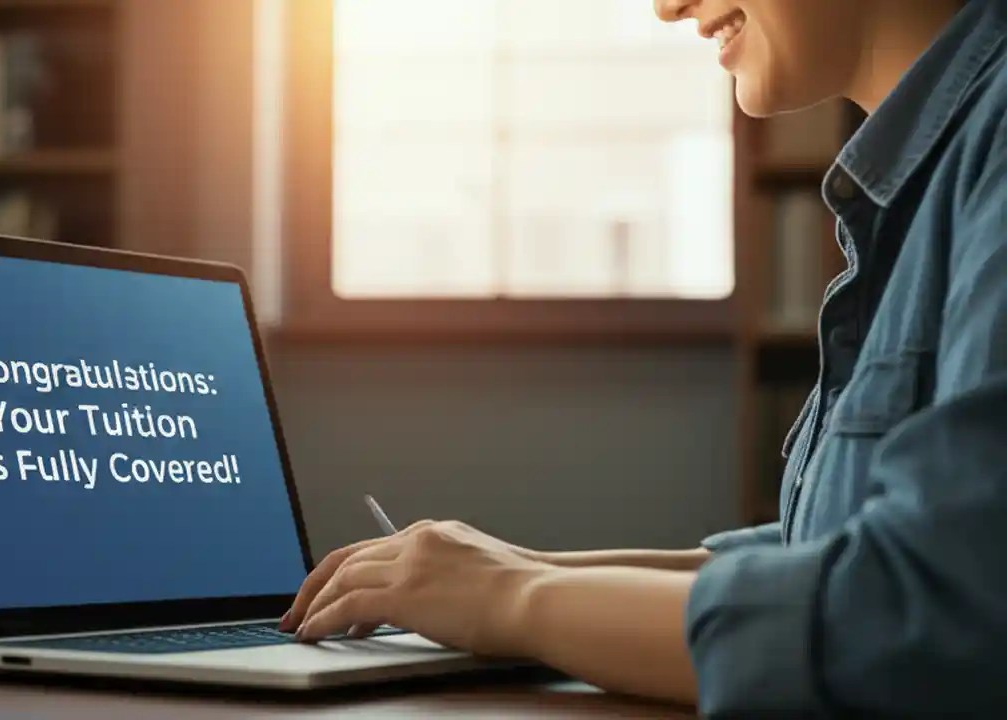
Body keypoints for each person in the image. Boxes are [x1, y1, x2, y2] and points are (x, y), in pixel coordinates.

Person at [278, 0, 1007, 715]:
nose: (666, 8)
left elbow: (921, 618)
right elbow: (825, 553)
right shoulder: (926, 184)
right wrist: (505, 571)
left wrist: (513, 598)